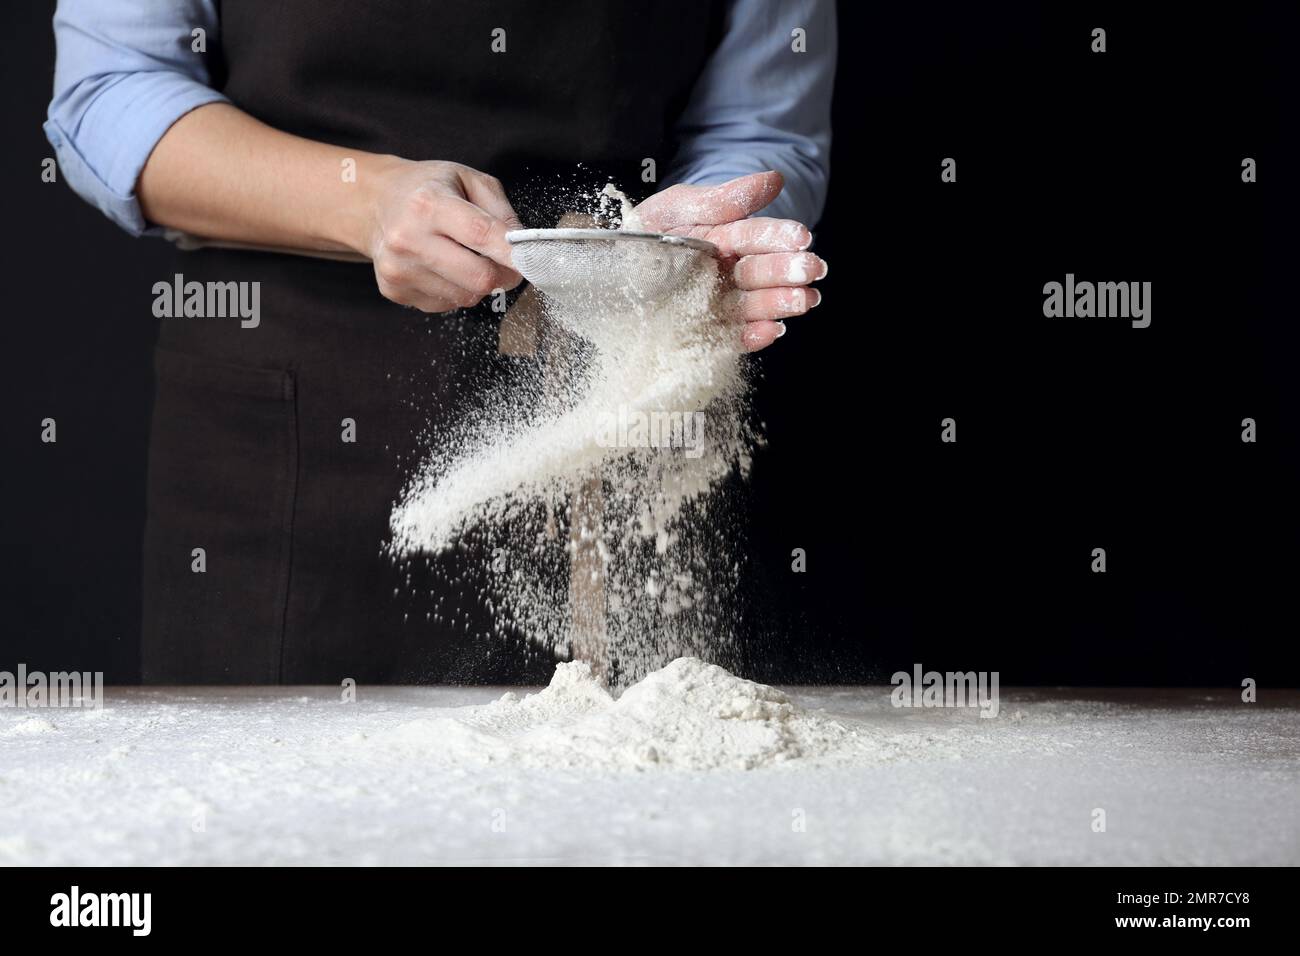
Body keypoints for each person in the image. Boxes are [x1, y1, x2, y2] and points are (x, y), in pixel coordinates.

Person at [45, 0, 835, 684]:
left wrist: (694, 246)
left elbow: (758, 124)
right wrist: (364, 199)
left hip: (624, 379)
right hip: (289, 438)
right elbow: (108, 90)